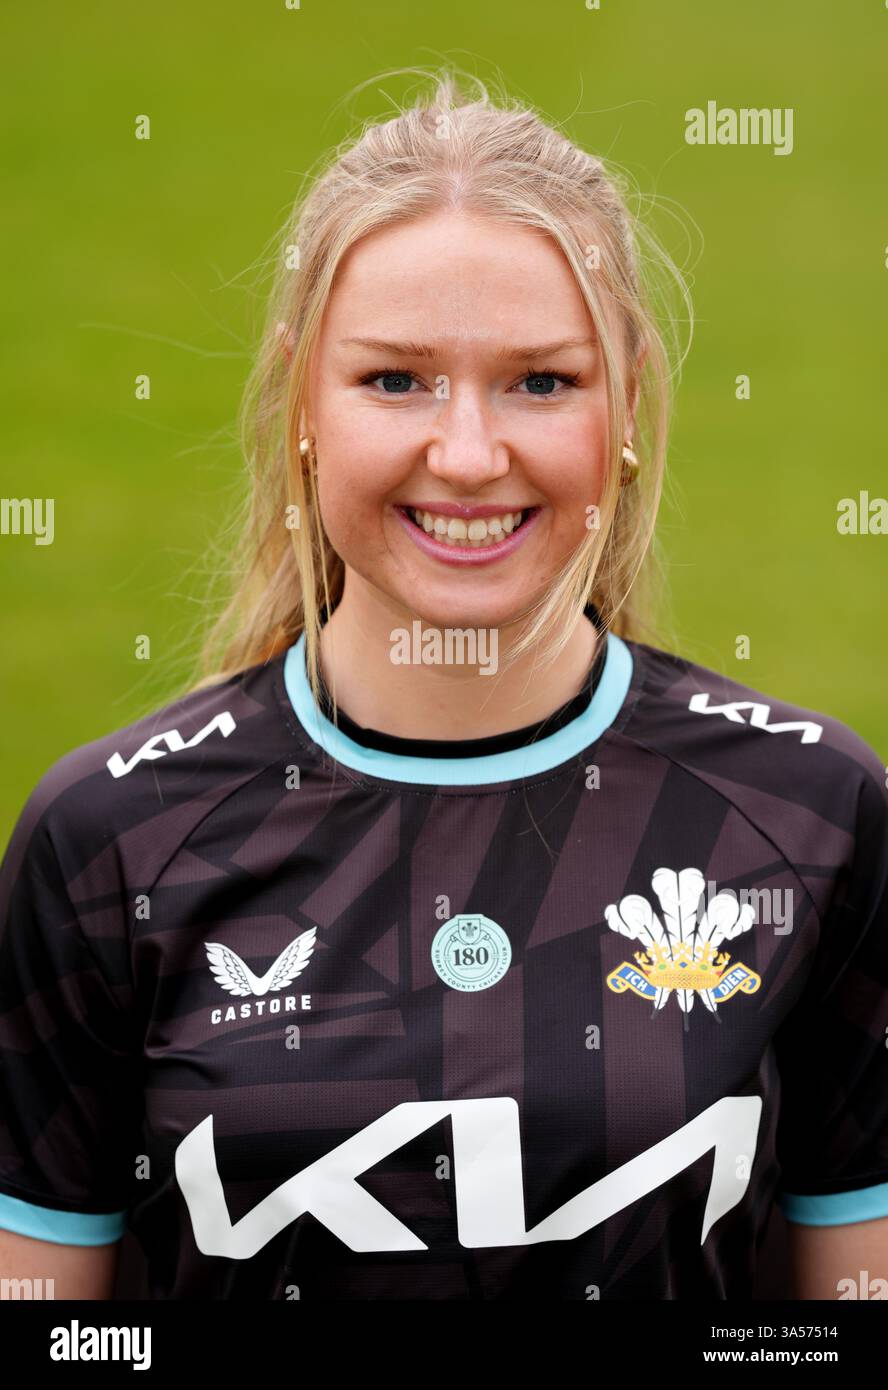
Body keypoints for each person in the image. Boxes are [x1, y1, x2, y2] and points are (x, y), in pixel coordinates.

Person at [0, 69, 885, 1302]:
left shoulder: (813, 816)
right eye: (395, 380)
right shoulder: (107, 841)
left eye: (541, 381)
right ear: (302, 399)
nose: (468, 456)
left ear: (625, 399)